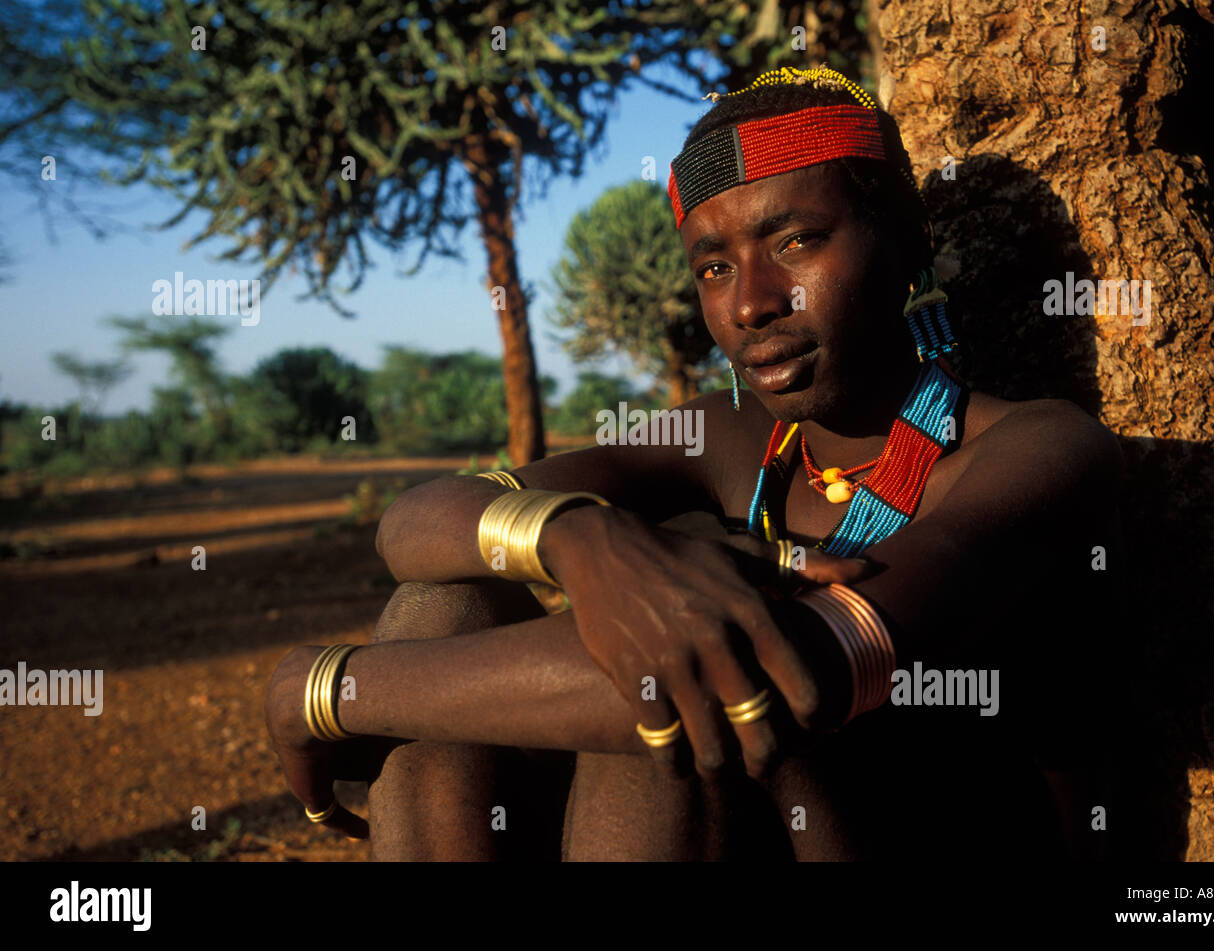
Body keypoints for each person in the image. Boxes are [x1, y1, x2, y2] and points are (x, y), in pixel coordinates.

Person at [265, 65, 1127, 861]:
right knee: (441, 600)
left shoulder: (1039, 451)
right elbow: (415, 522)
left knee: (673, 704)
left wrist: (330, 690)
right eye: (714, 266)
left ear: (906, 240)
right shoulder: (729, 440)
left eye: (796, 242)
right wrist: (581, 543)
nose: (750, 302)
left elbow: (773, 676)